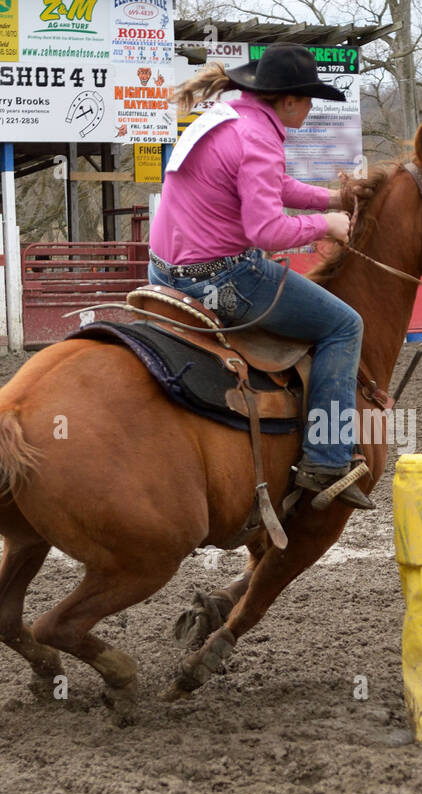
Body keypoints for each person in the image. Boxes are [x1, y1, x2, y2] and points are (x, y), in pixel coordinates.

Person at [147, 44, 376, 509]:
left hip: (162, 271)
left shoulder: (230, 117)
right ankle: (327, 459)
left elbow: (273, 187)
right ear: (288, 100)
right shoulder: (260, 138)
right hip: (220, 279)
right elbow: (266, 230)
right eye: (309, 99)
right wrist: (326, 225)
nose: (311, 109)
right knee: (344, 325)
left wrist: (329, 199)